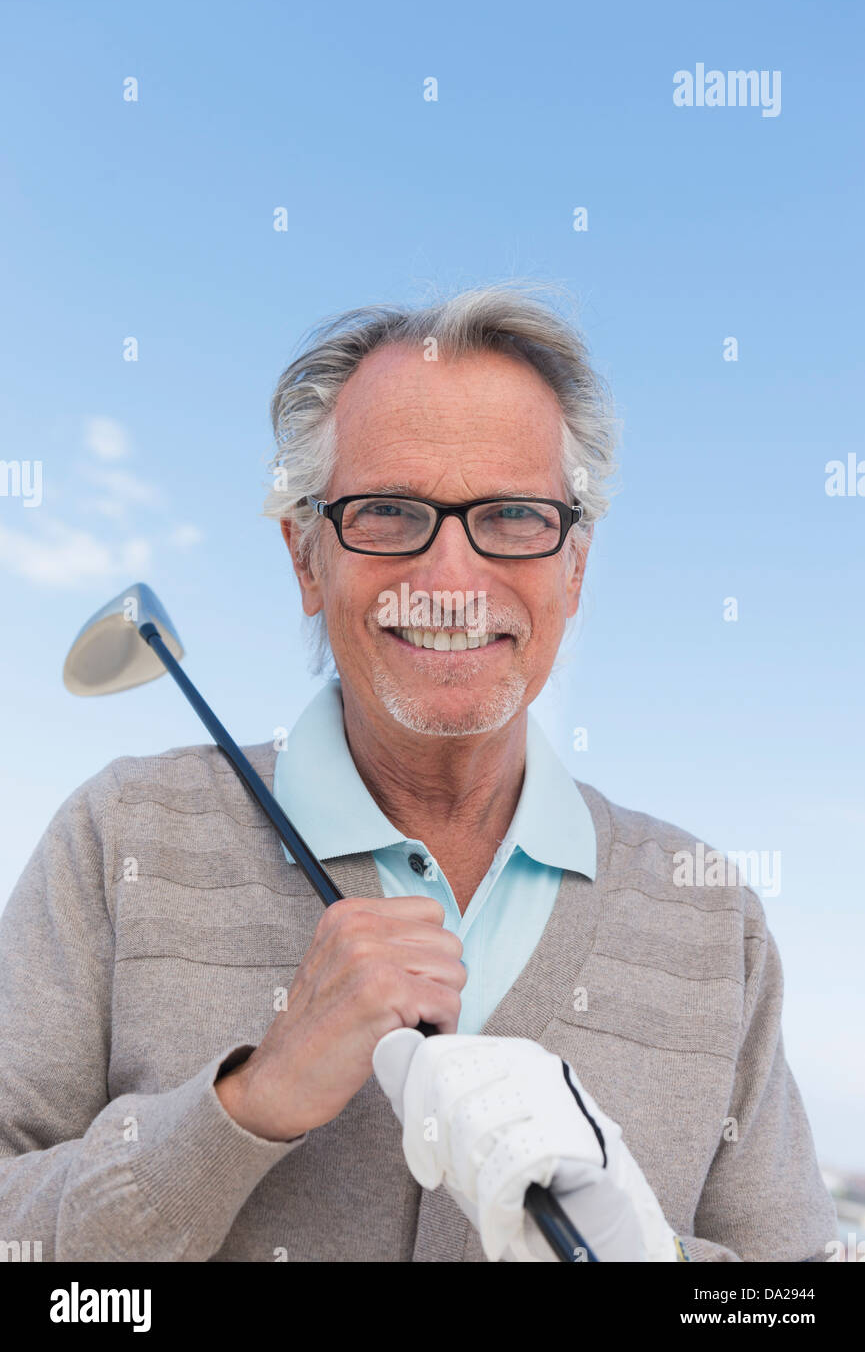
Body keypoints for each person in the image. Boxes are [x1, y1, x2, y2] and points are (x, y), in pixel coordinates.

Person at [0, 285, 836, 1262]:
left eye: (514, 516)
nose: (448, 582)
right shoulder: (120, 836)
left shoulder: (711, 919)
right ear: (306, 556)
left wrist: (645, 1260)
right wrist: (243, 1108)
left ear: (573, 565)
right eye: (389, 512)